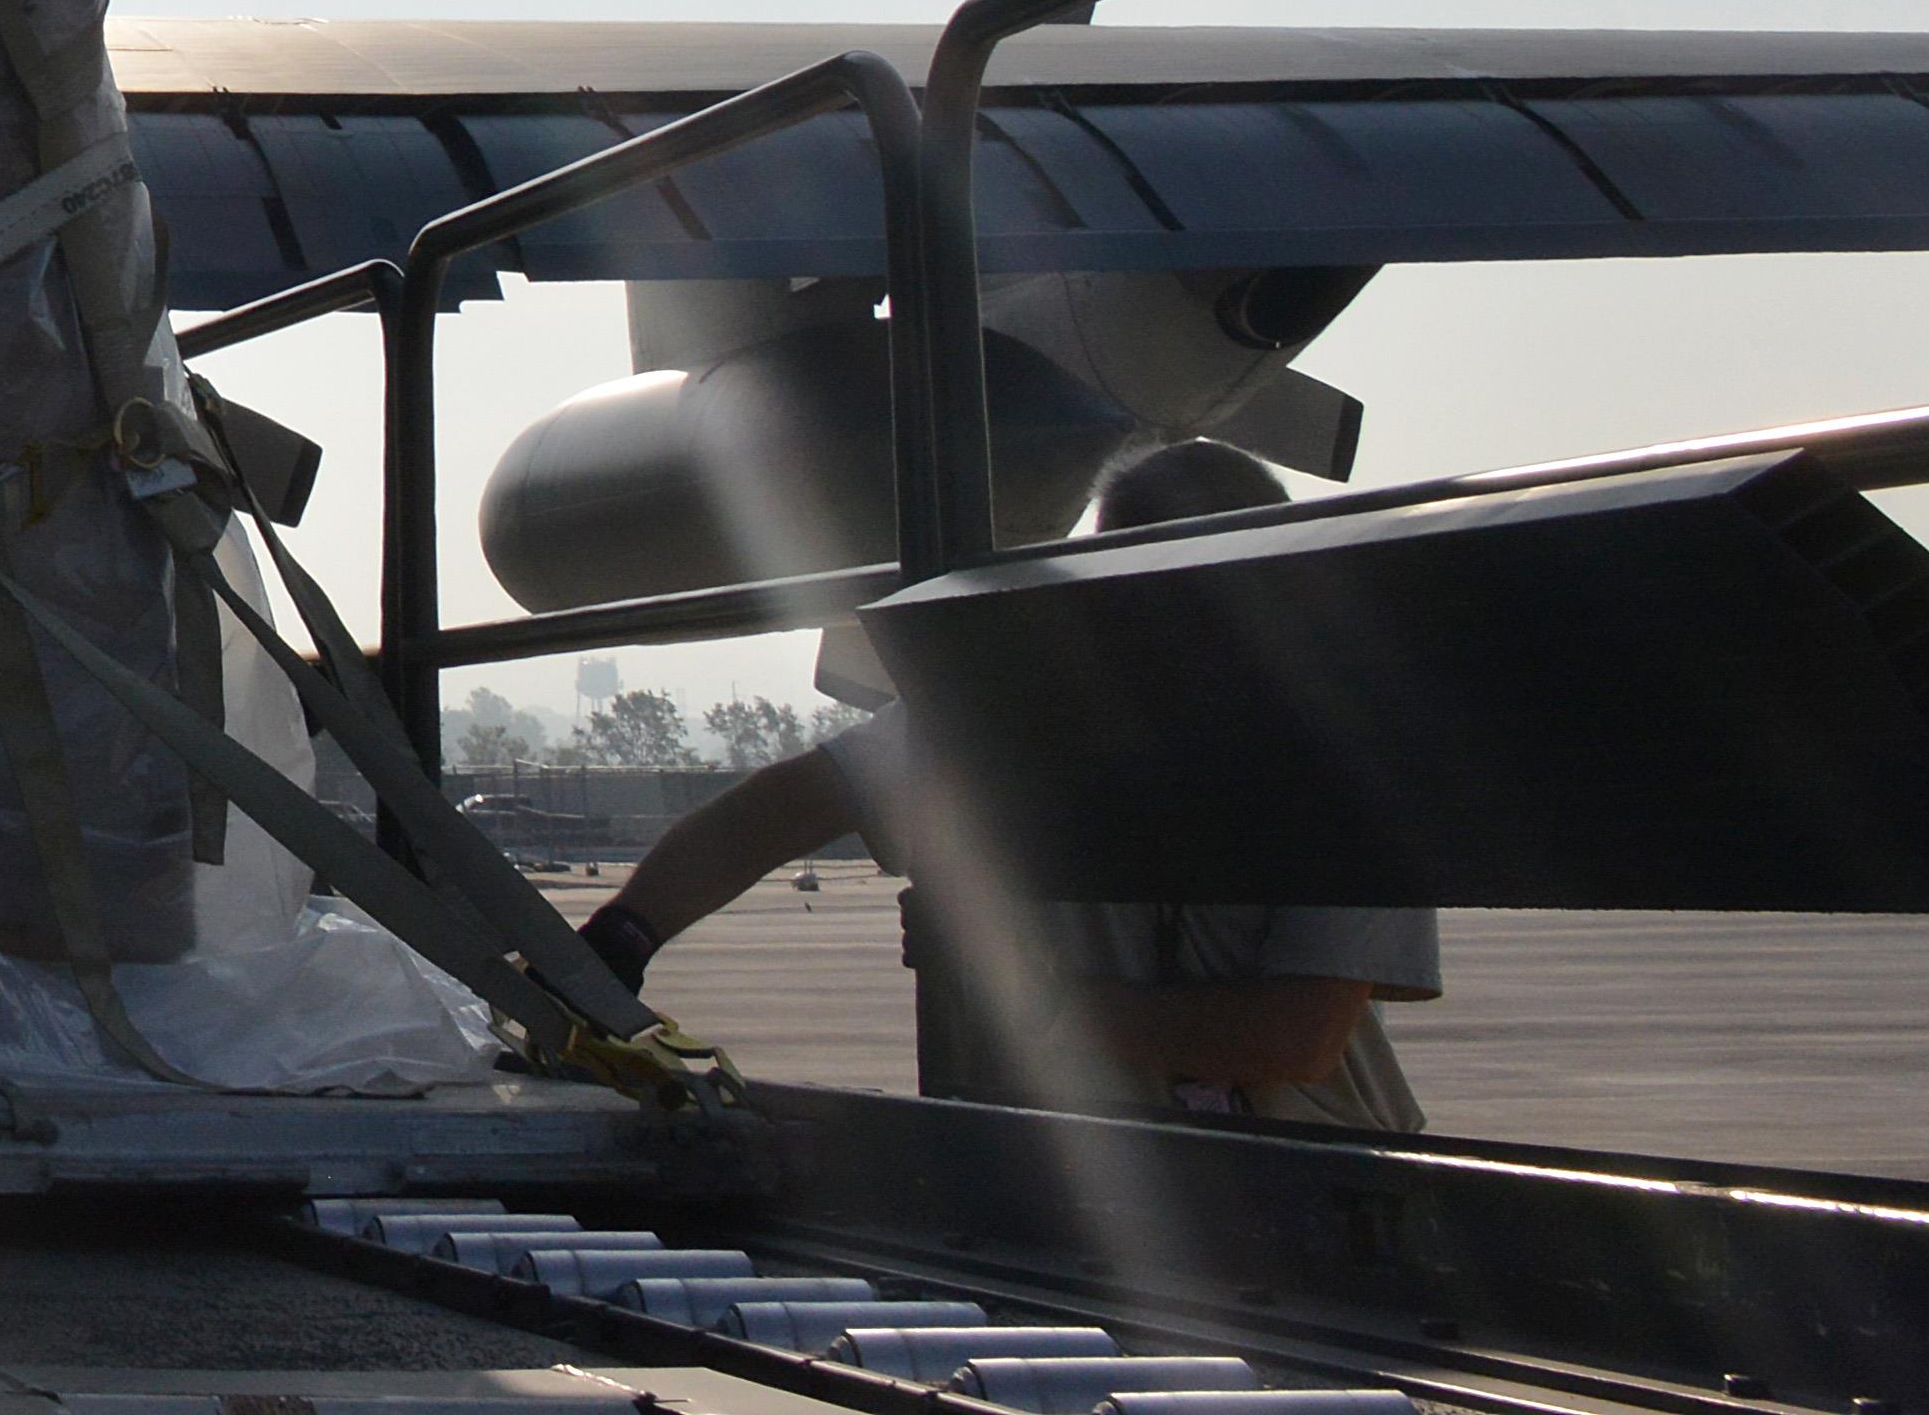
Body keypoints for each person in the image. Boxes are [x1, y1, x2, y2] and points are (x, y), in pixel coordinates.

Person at [564, 442, 1440, 1131]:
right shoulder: (1024, 711)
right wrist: (618, 942)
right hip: (1124, 1165)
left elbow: (1296, 1039)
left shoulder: (1331, 753)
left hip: (1320, 1169)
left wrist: (1039, 1007)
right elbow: (785, 808)